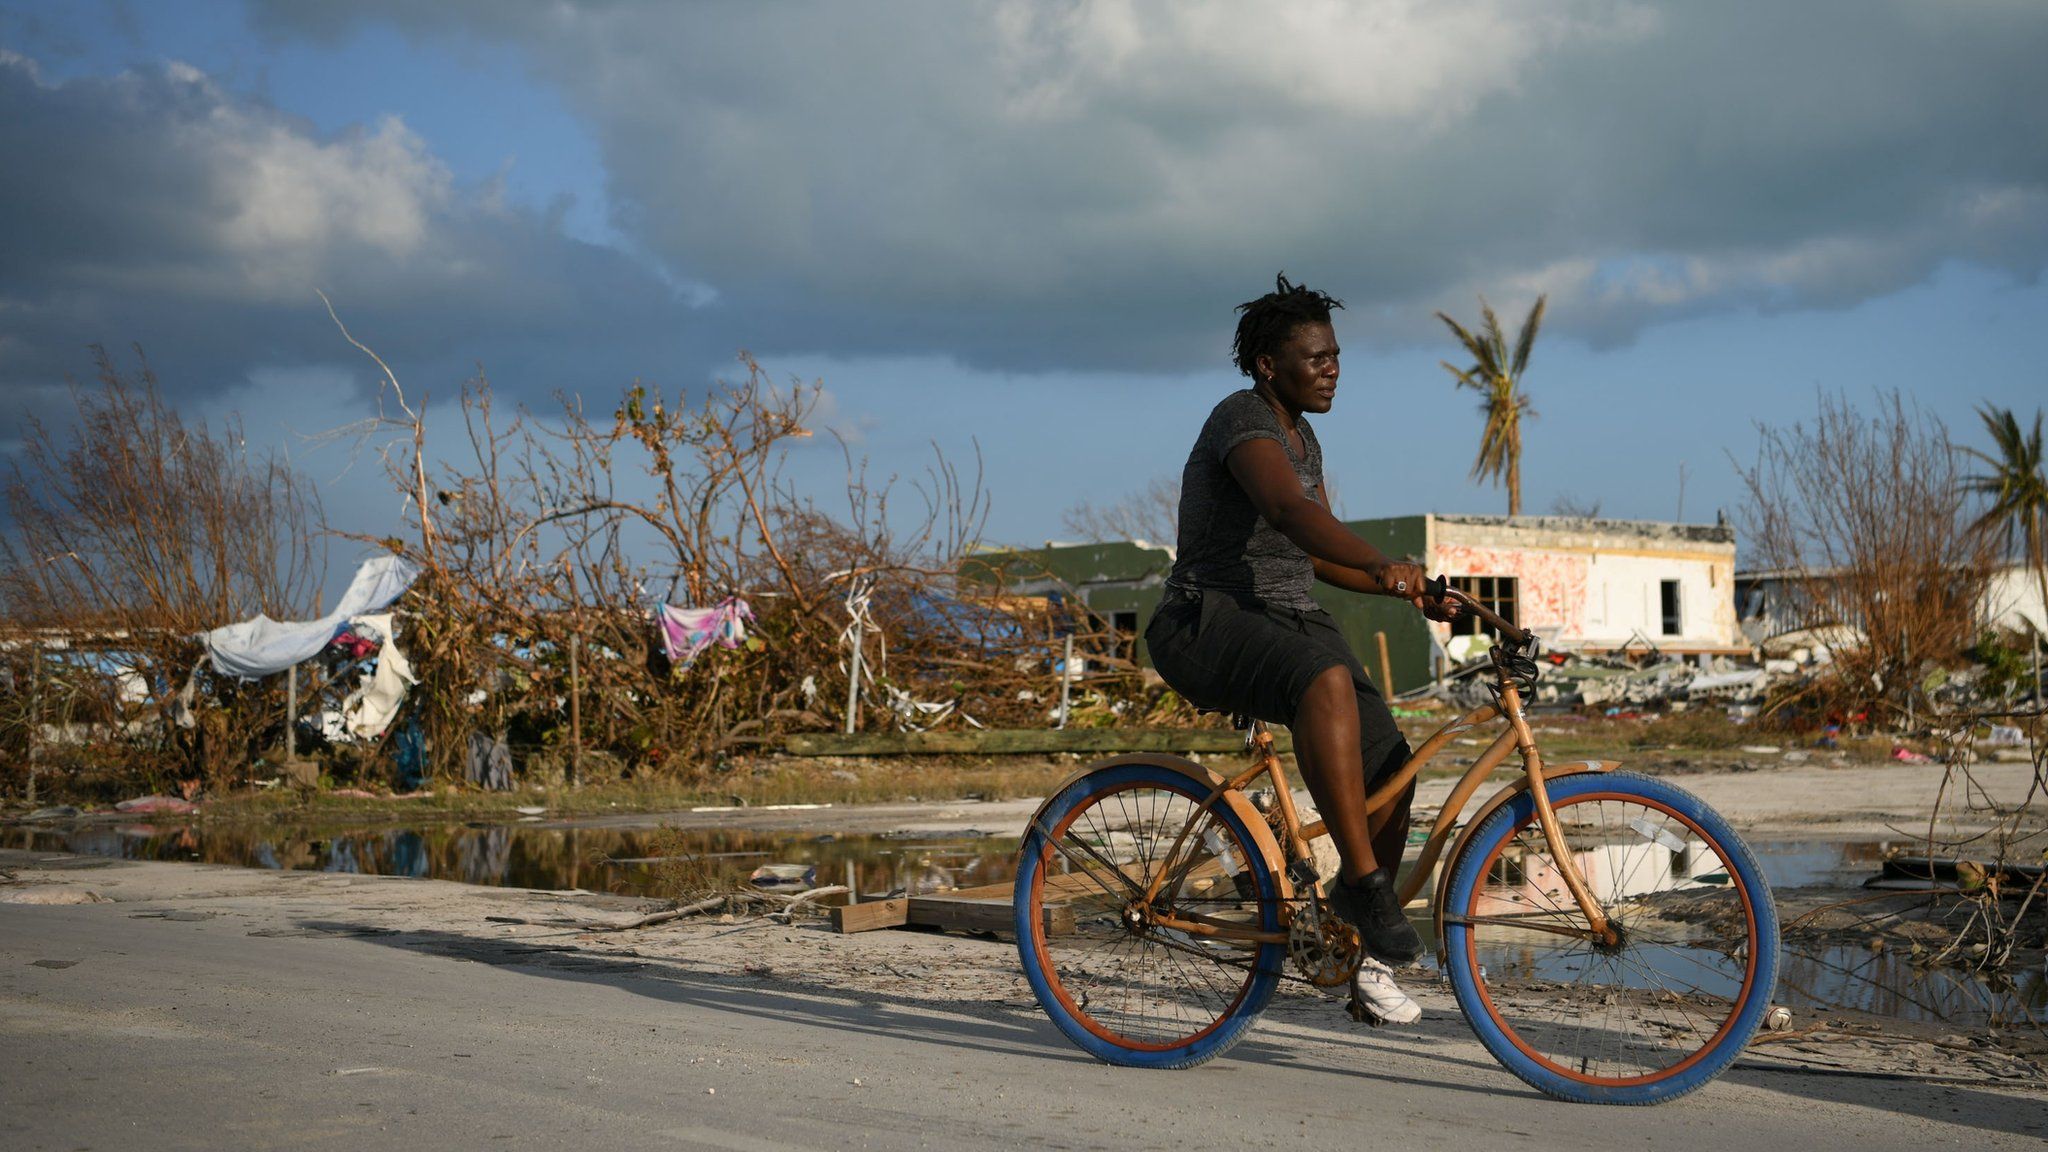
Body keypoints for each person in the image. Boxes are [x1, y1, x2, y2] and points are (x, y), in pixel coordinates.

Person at [1143, 273, 1460, 1024]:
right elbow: (1289, 514)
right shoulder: (1242, 420)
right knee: (1322, 681)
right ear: (1267, 366)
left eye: (1337, 356)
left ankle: (1360, 952)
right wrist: (1383, 559)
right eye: (1315, 357)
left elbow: (1315, 557)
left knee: (1392, 763)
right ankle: (1364, 884)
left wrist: (1407, 588)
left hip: (1286, 614)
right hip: (1206, 617)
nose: (1332, 369)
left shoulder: (1303, 437)